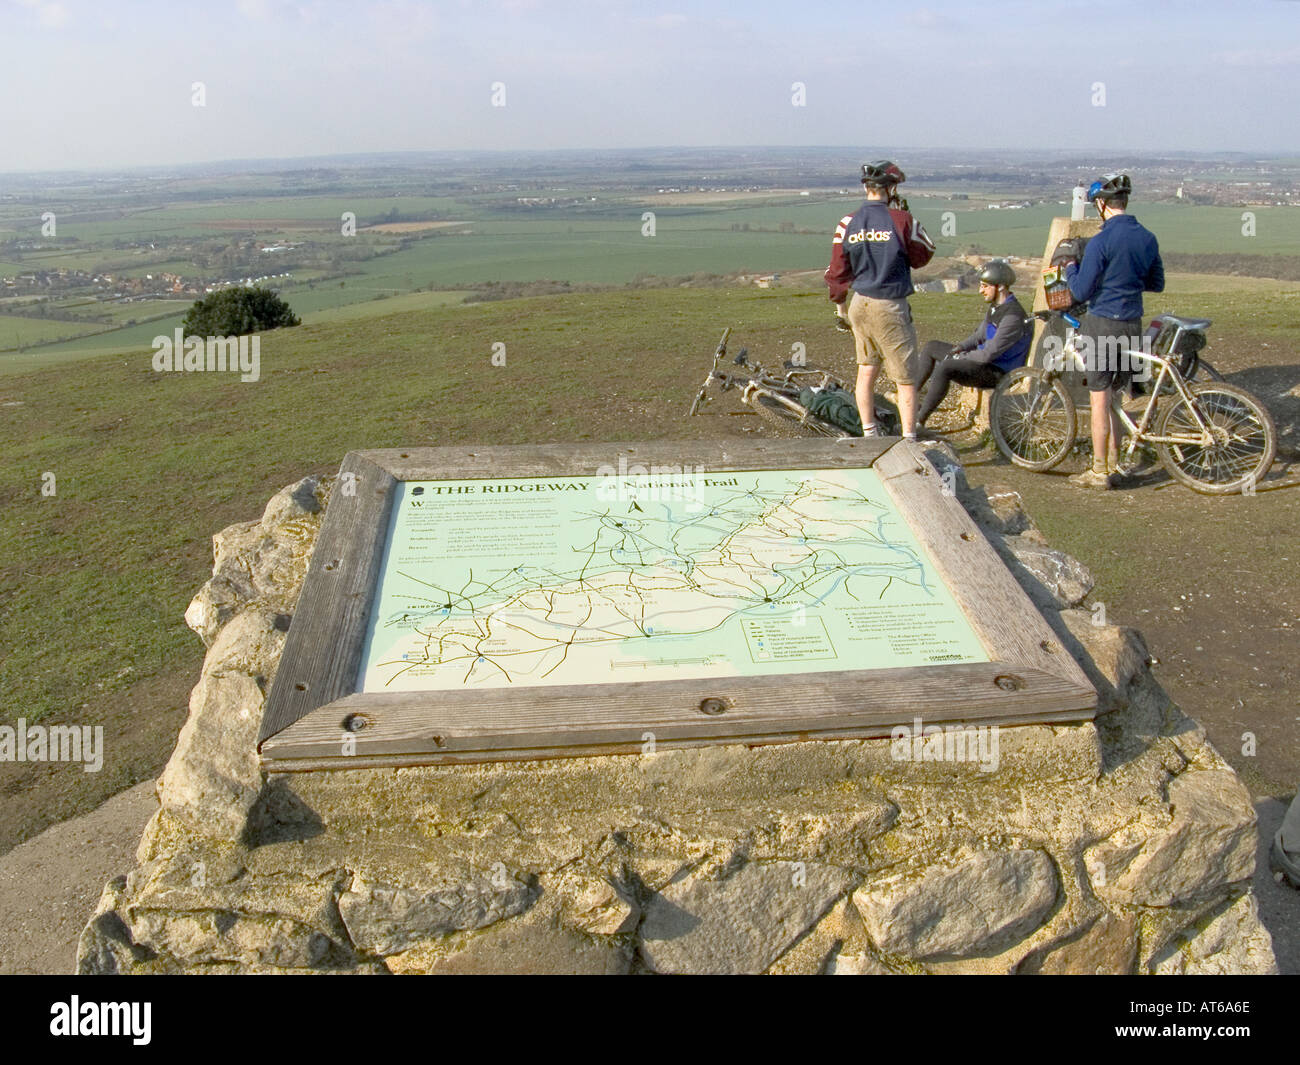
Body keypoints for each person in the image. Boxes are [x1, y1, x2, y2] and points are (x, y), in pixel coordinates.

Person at [1060, 172, 1164, 489]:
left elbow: (1079, 291)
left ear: (1102, 205)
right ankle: (1115, 464)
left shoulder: (1101, 241)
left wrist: (1069, 268)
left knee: (1099, 400)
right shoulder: (1147, 237)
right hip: (1132, 324)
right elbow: (1157, 283)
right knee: (1116, 398)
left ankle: (1098, 470)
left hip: (1102, 323)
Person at [825, 160, 936, 439]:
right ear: (892, 188)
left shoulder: (846, 222)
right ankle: (910, 440)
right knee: (906, 379)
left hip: (858, 303)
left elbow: (837, 271)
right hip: (889, 305)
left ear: (866, 187)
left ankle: (869, 434)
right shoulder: (902, 221)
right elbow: (924, 254)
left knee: (866, 370)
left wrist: (840, 308)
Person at [913, 259, 1030, 428]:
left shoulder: (1013, 316)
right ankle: (908, 399)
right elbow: (979, 336)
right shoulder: (997, 307)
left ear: (1001, 287)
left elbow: (988, 354)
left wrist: (962, 357)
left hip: (997, 371)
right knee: (932, 346)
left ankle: (918, 422)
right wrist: (959, 348)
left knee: (946, 368)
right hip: (983, 362)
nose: (980, 290)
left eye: (985, 286)